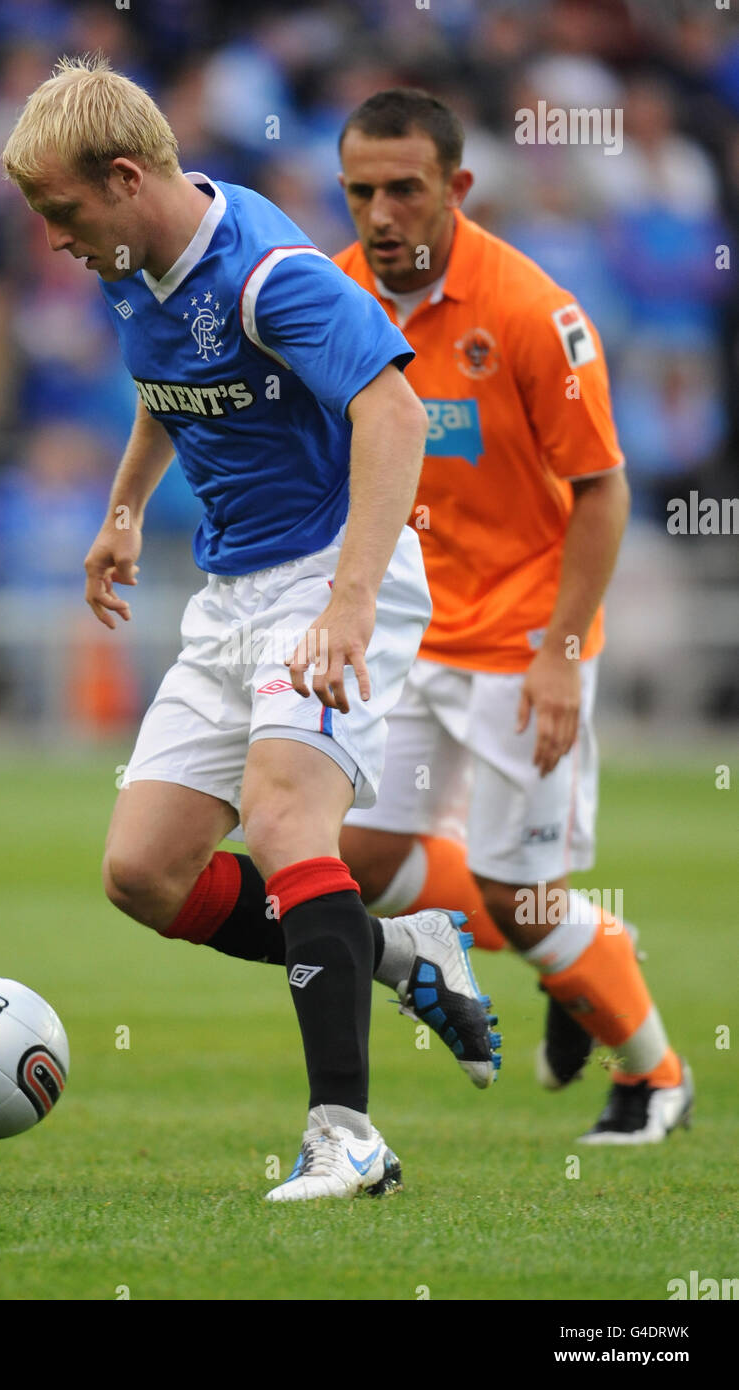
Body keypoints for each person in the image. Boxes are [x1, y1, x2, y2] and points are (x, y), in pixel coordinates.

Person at [1, 56, 500, 1202]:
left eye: (64, 213)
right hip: (232, 594)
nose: (57, 240)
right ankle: (395, 949)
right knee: (144, 872)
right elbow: (167, 380)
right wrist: (123, 512)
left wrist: (353, 602)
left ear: (126, 178)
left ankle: (347, 1137)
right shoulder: (133, 256)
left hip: (332, 575)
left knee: (285, 820)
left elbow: (395, 408)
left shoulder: (269, 276)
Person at [332, 88, 692, 1145]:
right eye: (361, 191)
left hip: (521, 643)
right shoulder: (339, 295)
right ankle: (584, 951)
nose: (382, 213)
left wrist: (562, 657)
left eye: (405, 189)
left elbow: (604, 491)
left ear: (457, 187)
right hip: (409, 638)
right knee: (354, 855)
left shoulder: (536, 312)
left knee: (519, 896)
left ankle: (655, 1073)